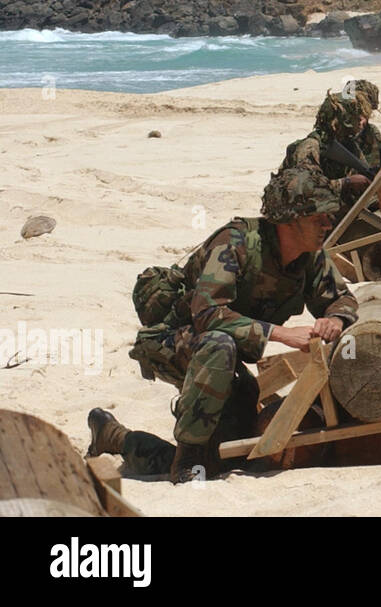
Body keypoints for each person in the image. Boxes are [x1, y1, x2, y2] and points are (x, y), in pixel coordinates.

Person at [90, 167, 359, 483]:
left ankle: (115, 437)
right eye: (319, 217)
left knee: (224, 457)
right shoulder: (236, 242)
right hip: (174, 341)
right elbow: (207, 313)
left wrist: (335, 318)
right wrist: (281, 334)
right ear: (289, 219)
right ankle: (187, 463)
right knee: (220, 346)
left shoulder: (309, 255)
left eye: (331, 215)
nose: (329, 224)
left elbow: (343, 299)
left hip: (223, 357)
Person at [279, 81, 381, 203]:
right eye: (357, 116)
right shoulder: (311, 147)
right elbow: (299, 188)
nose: (362, 121)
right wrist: (345, 183)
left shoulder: (352, 142)